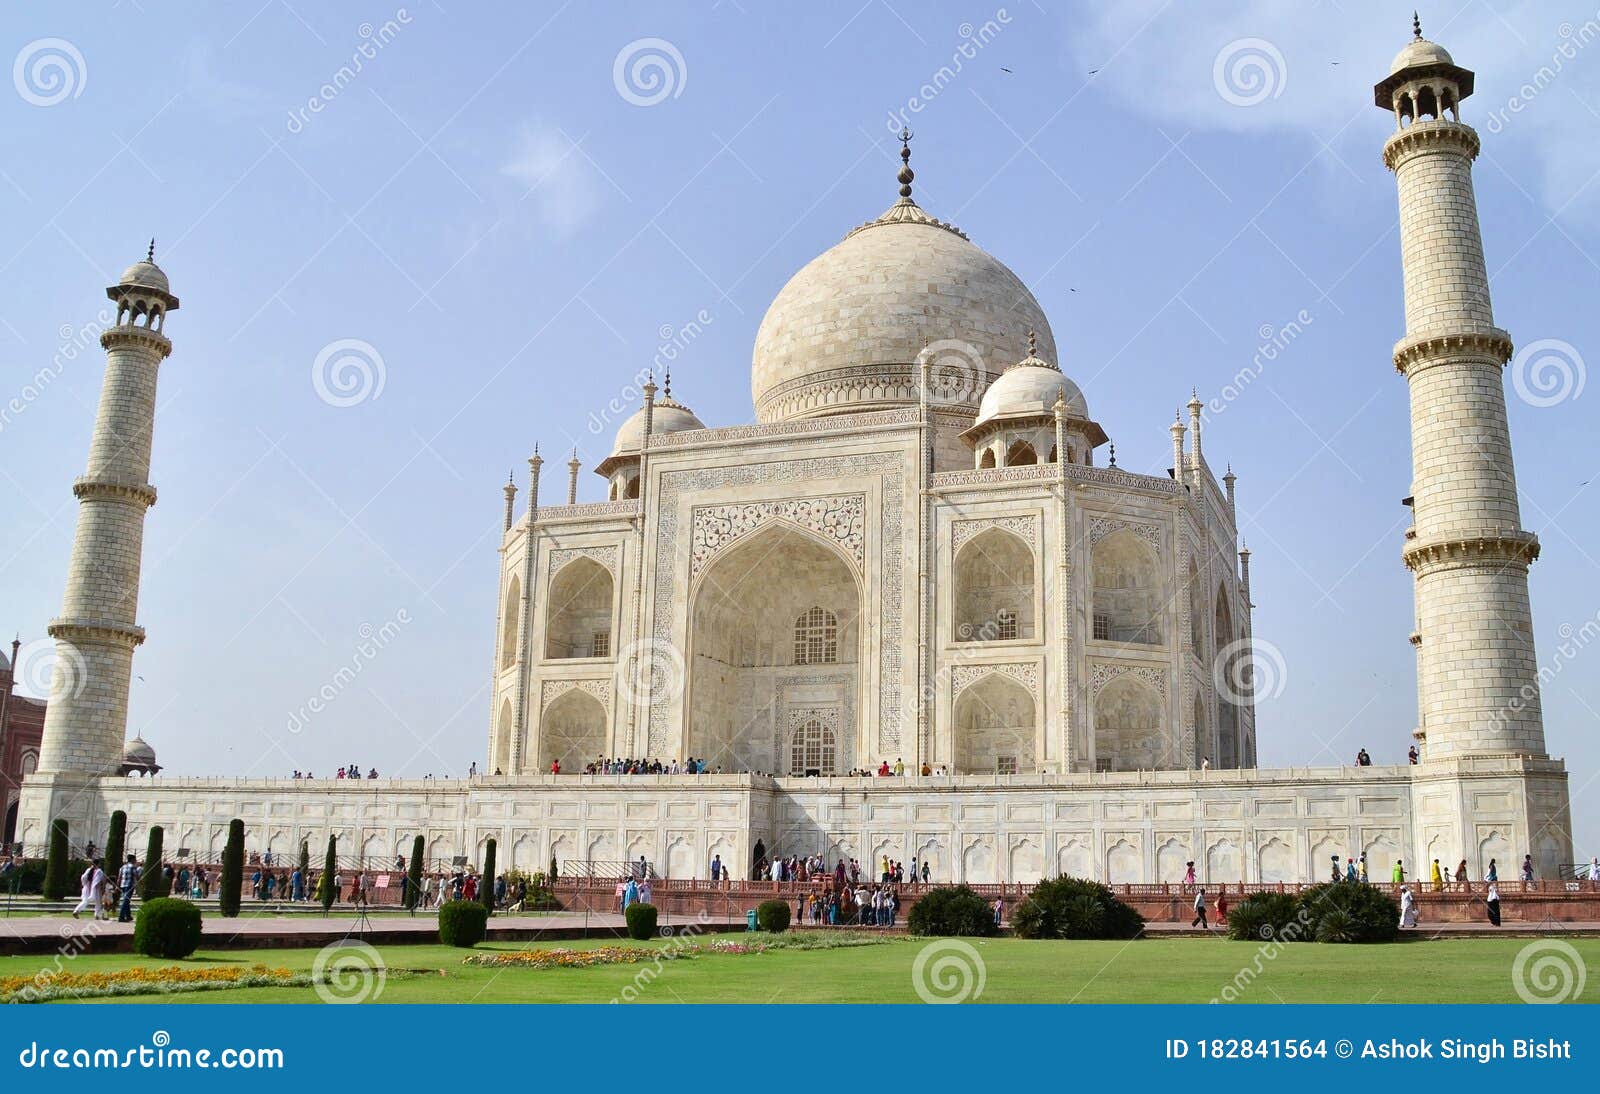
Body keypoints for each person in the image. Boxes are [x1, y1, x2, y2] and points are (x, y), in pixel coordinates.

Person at [117, 854, 138, 922]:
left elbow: (119, 878)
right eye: (135, 859)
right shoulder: (133, 867)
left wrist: (117, 886)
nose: (136, 860)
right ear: (132, 860)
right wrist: (141, 883)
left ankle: (128, 916)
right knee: (126, 901)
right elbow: (136, 876)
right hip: (129, 885)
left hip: (123, 886)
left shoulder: (123, 867)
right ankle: (121, 917)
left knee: (127, 900)